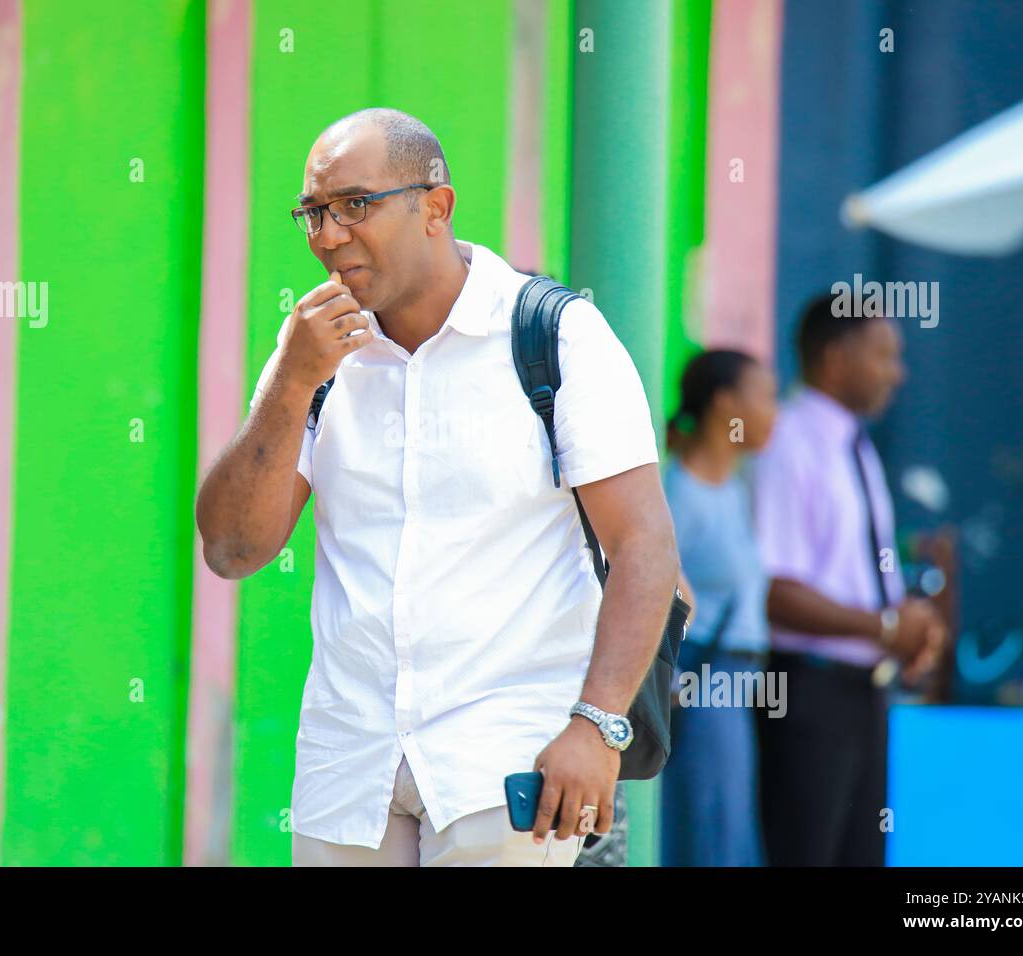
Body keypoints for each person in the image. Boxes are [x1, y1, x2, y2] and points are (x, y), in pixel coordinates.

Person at [195, 108, 680, 866]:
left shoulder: (554, 336)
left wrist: (597, 725)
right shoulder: (315, 360)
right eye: (313, 213)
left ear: (435, 206)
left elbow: (644, 544)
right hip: (348, 767)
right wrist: (290, 382)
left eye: (355, 205)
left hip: (506, 760)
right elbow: (231, 548)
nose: (328, 234)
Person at [752, 292, 946, 866]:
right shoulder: (790, 446)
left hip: (862, 689)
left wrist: (907, 627)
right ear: (837, 357)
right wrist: (887, 626)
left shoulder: (854, 449)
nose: (897, 373)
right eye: (884, 355)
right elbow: (775, 590)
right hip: (808, 693)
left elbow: (860, 577)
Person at [658, 350, 777, 866]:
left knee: (729, 826)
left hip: (737, 683)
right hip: (704, 683)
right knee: (711, 828)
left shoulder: (733, 490)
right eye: (765, 397)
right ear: (726, 404)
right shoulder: (677, 492)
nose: (775, 413)